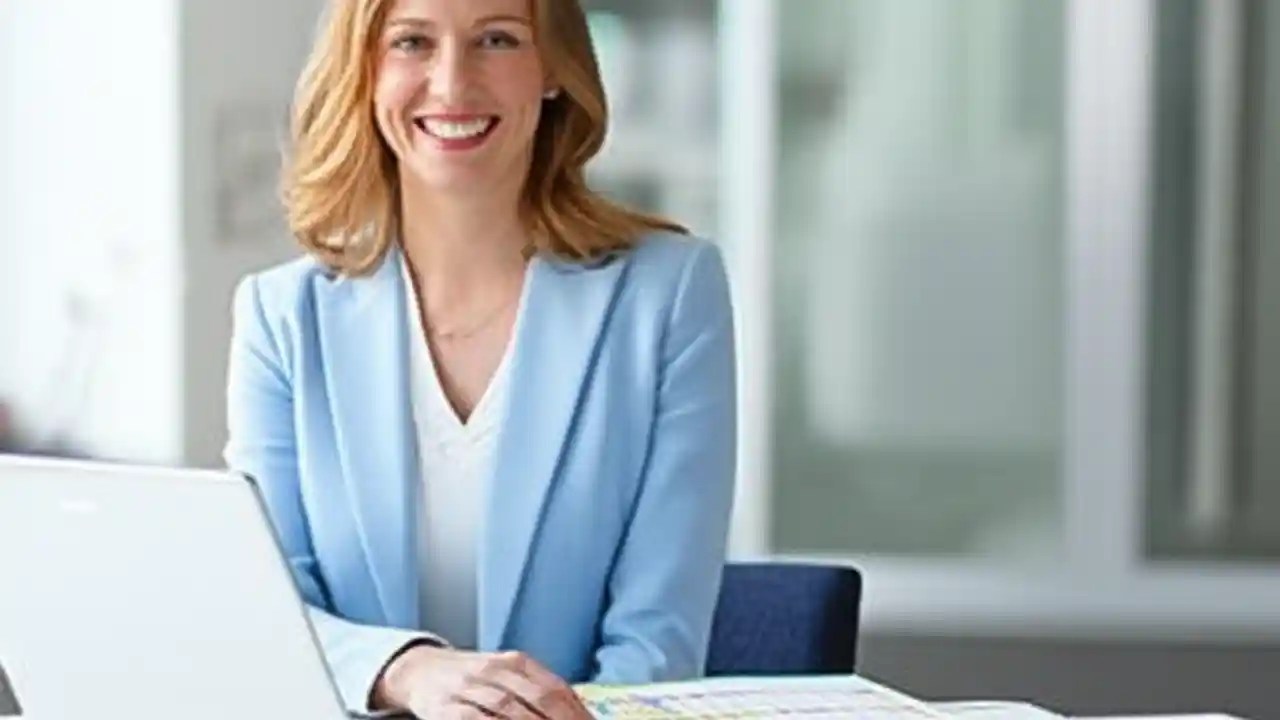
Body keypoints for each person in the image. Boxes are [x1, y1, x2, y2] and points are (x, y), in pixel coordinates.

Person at [223, 0, 737, 717]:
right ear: (364, 71)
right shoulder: (283, 318)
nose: (452, 81)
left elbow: (657, 638)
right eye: (411, 42)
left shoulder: (670, 295)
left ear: (553, 69)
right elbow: (271, 607)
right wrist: (407, 670)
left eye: (497, 39)